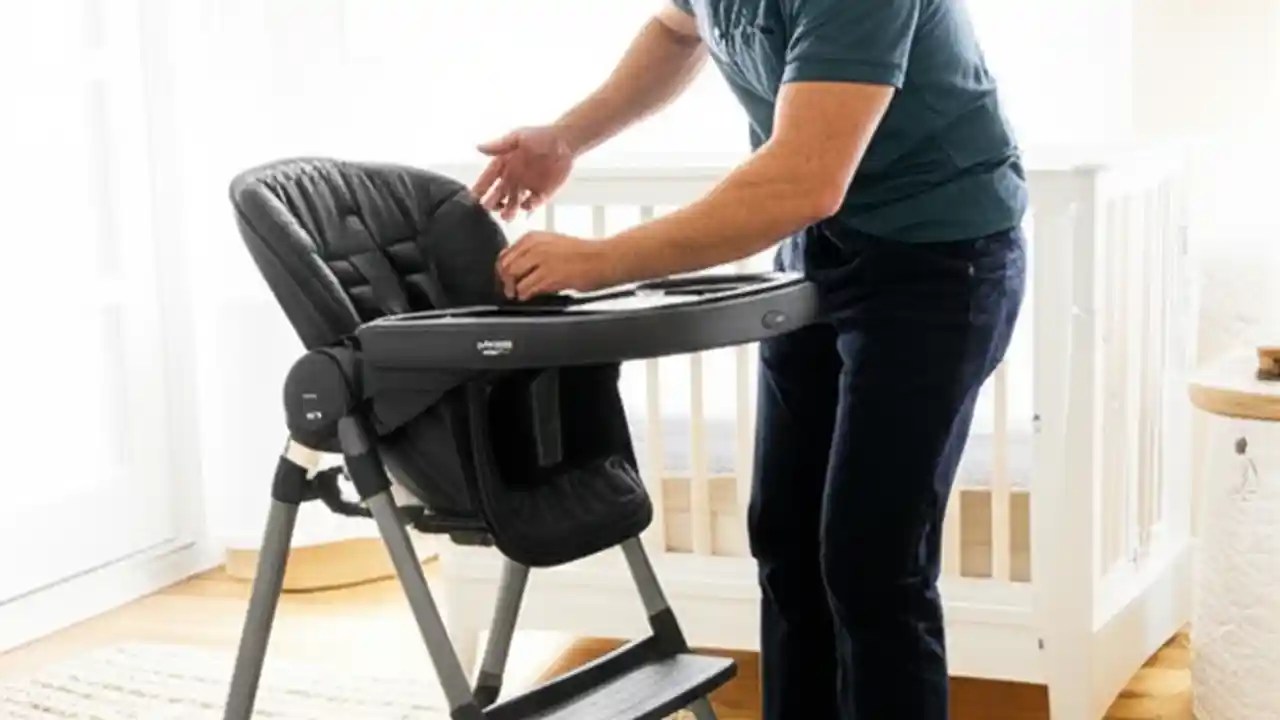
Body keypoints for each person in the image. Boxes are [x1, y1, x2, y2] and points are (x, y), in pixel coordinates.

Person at [474, 1, 1027, 717]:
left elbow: (802, 179)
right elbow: (678, 32)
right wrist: (566, 138)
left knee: (870, 558)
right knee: (786, 538)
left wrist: (604, 259)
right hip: (821, 249)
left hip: (942, 257)